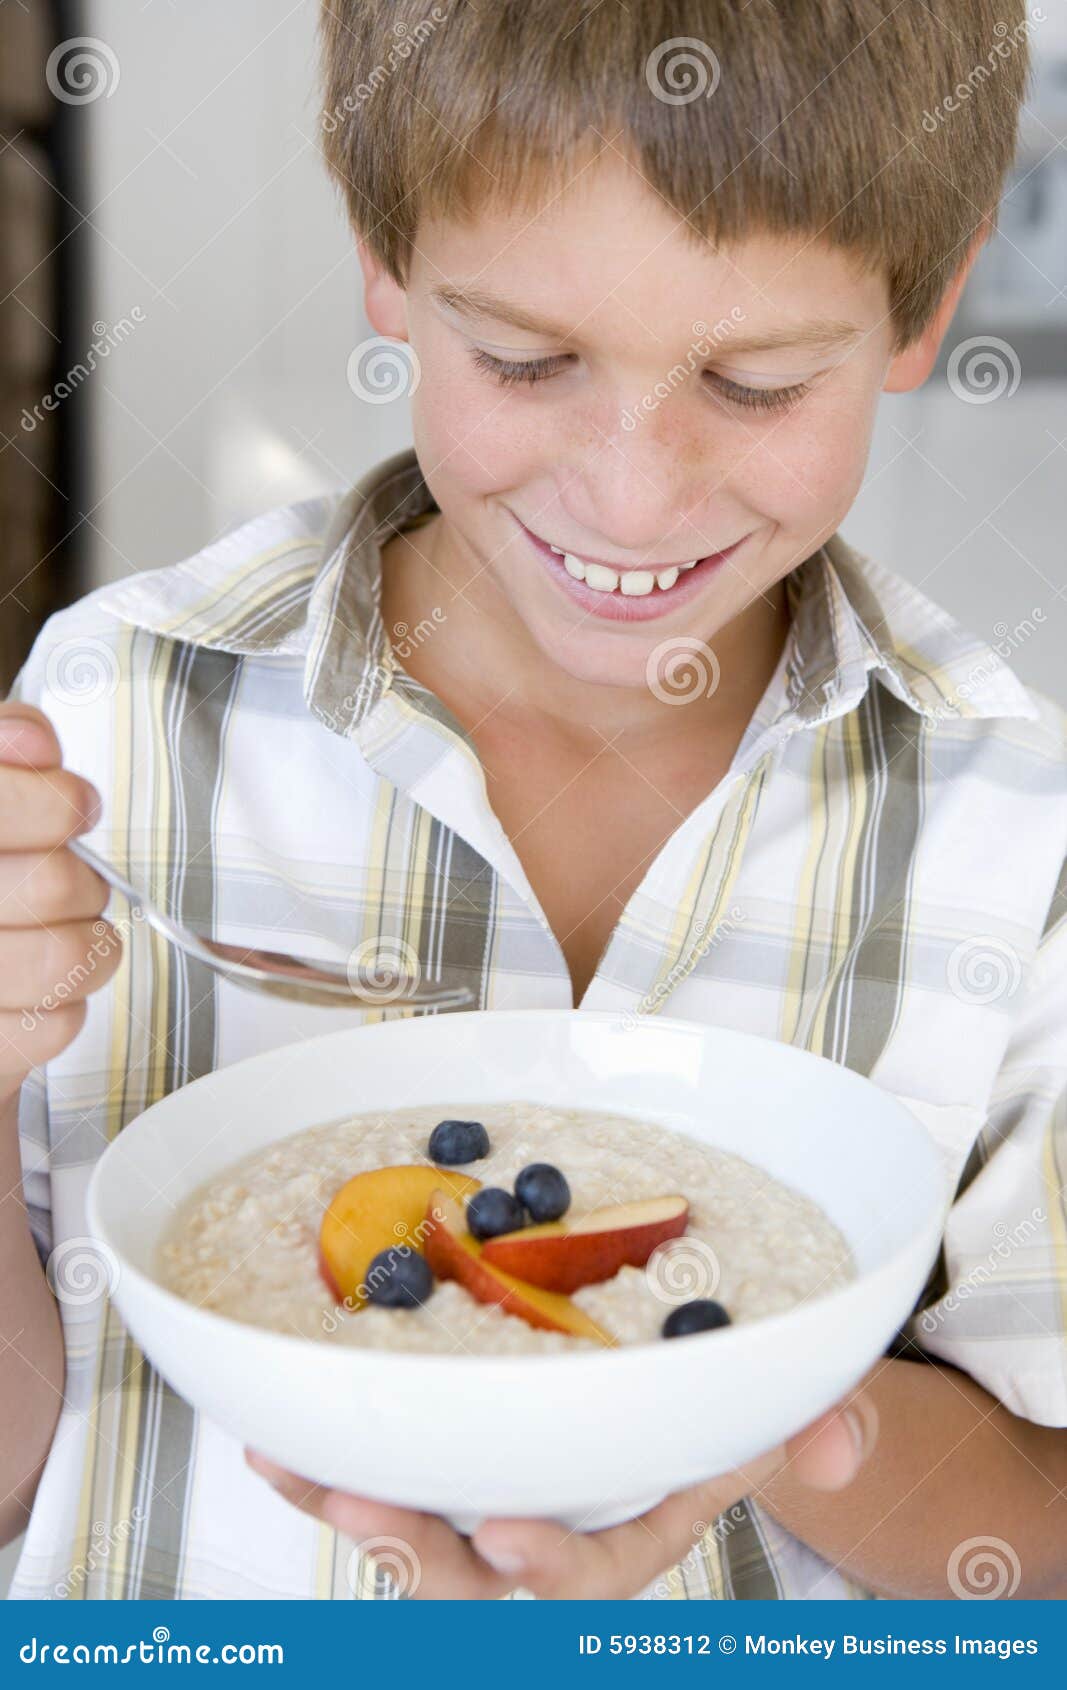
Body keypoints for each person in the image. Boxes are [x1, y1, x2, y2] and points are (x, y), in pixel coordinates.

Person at [1, 0, 1064, 1601]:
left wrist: (712, 1377)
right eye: (524, 360)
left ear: (928, 302)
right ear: (381, 252)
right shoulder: (117, 712)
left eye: (759, 381)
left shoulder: (1016, 817)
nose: (631, 492)